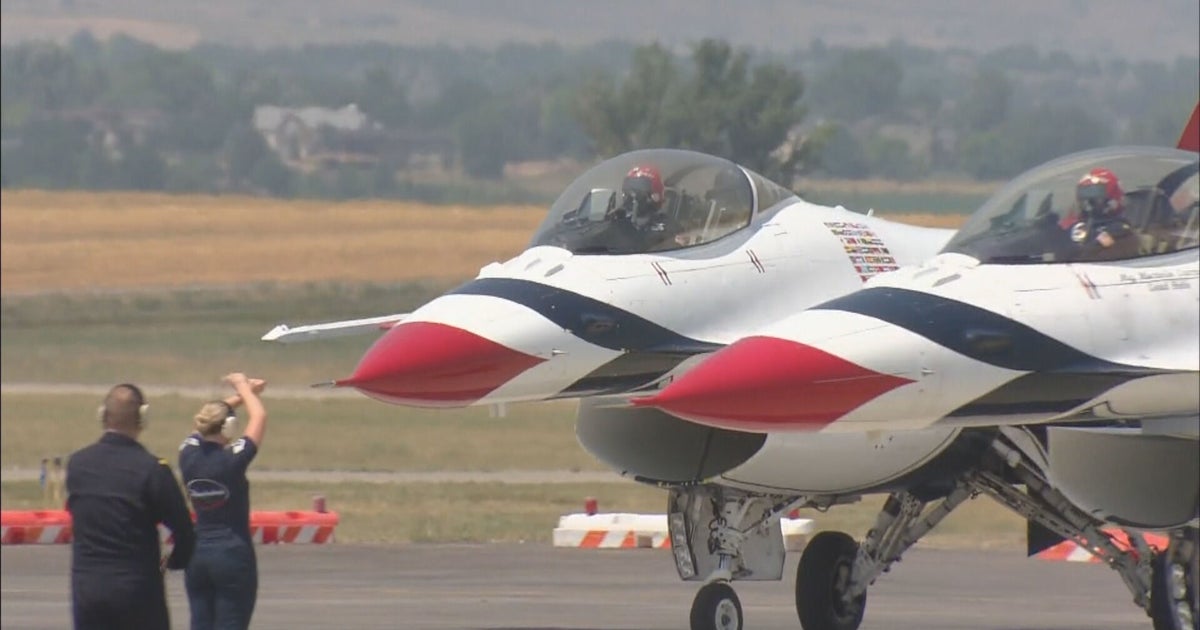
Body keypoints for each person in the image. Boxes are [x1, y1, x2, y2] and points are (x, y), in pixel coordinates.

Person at [67, 383, 196, 630]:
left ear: (102, 415)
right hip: (137, 591)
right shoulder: (152, 470)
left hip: (88, 590)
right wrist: (173, 562)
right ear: (142, 418)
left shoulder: (78, 465)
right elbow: (185, 533)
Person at [178, 373, 267, 630]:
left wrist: (240, 396)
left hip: (197, 555)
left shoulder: (187, 454)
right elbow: (259, 417)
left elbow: (202, 425)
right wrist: (244, 388)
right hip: (232, 555)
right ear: (228, 427)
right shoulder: (232, 460)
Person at [1065, 167, 1137, 259]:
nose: (1089, 203)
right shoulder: (1075, 226)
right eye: (1085, 197)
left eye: (1096, 198)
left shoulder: (1120, 232)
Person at [617, 164, 681, 250]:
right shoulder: (617, 223)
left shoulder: (668, 226)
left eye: (640, 191)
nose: (633, 196)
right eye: (629, 192)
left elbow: (680, 244)